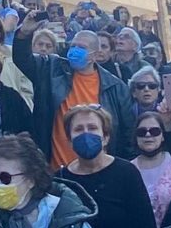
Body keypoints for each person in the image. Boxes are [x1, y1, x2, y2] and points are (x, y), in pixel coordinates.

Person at [14, 19, 135, 167]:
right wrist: (24, 34)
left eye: (82, 47)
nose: (75, 50)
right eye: (73, 46)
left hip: (100, 170)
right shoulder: (51, 68)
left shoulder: (116, 87)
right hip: (56, 170)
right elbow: (22, 60)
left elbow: (128, 135)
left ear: (95, 55)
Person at [133, 109, 171, 226]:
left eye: (154, 131)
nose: (148, 135)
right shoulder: (128, 169)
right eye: (142, 132)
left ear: (163, 136)